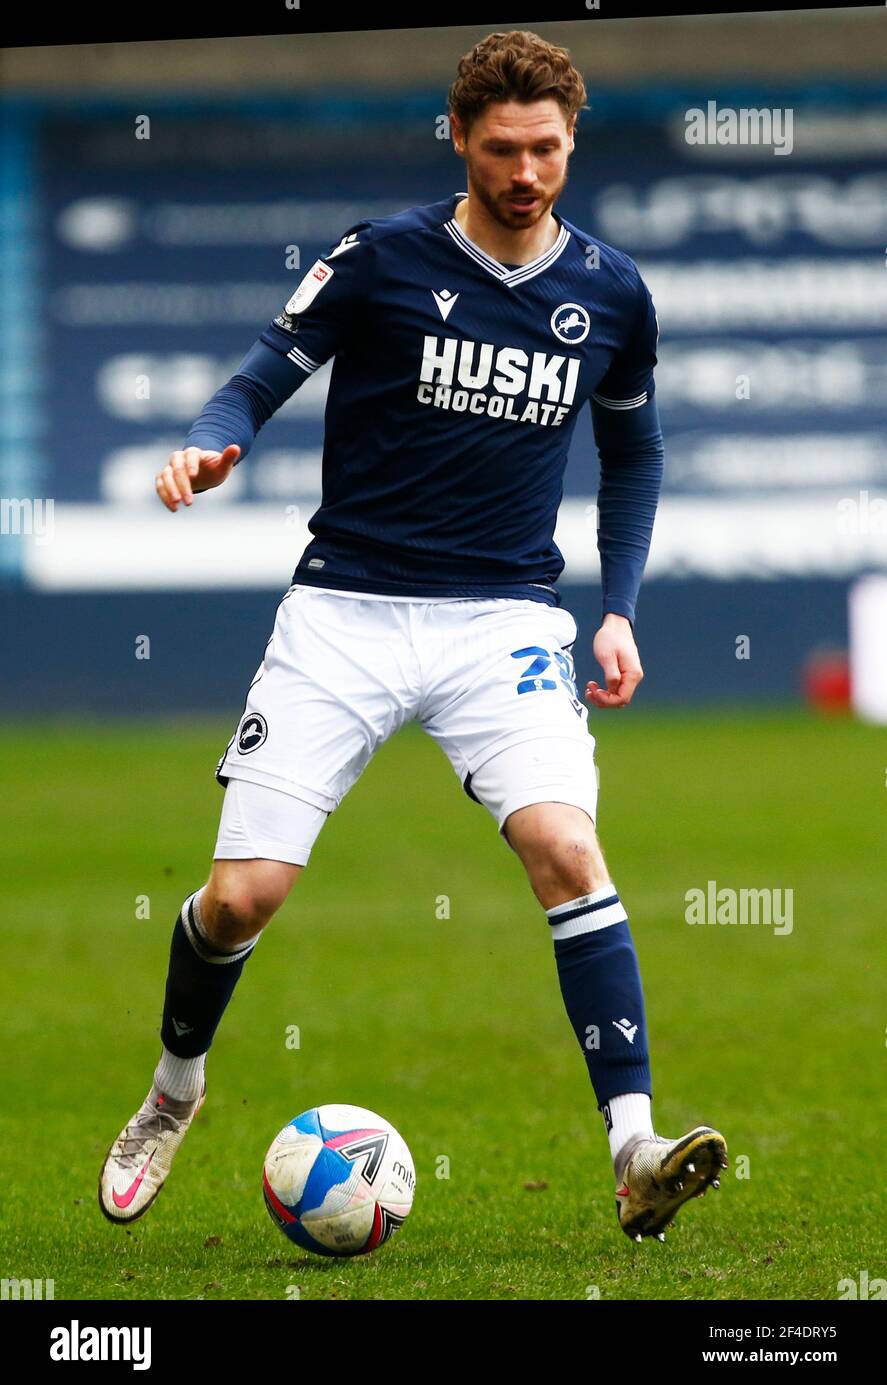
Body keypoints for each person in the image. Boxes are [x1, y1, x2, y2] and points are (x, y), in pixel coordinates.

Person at [99, 29, 727, 1243]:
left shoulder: (610, 291)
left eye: (545, 148)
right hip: (345, 611)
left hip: (503, 621)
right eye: (502, 150)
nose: (526, 172)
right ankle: (174, 1090)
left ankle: (632, 1144)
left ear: (570, 142)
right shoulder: (381, 257)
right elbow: (260, 371)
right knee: (241, 901)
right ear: (460, 140)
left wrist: (619, 608)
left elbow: (632, 447)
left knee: (565, 848)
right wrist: (214, 439)